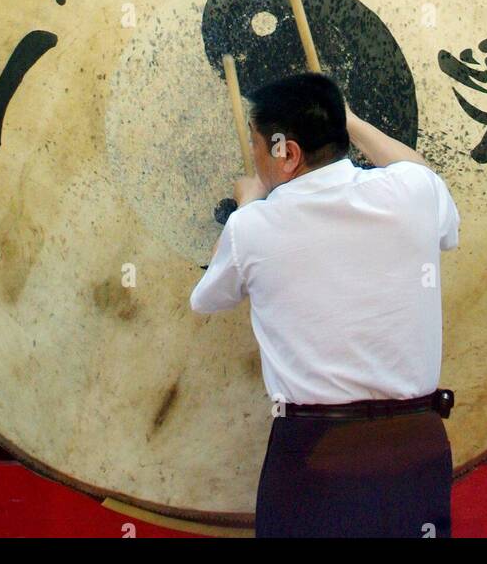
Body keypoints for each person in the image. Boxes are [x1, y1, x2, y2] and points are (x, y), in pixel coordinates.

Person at [189, 71, 460, 539]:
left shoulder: (253, 227)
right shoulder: (414, 193)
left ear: (286, 153)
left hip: (316, 449)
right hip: (417, 441)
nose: (254, 159)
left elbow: (206, 298)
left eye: (256, 147)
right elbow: (419, 170)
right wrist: (349, 120)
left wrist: (248, 203)